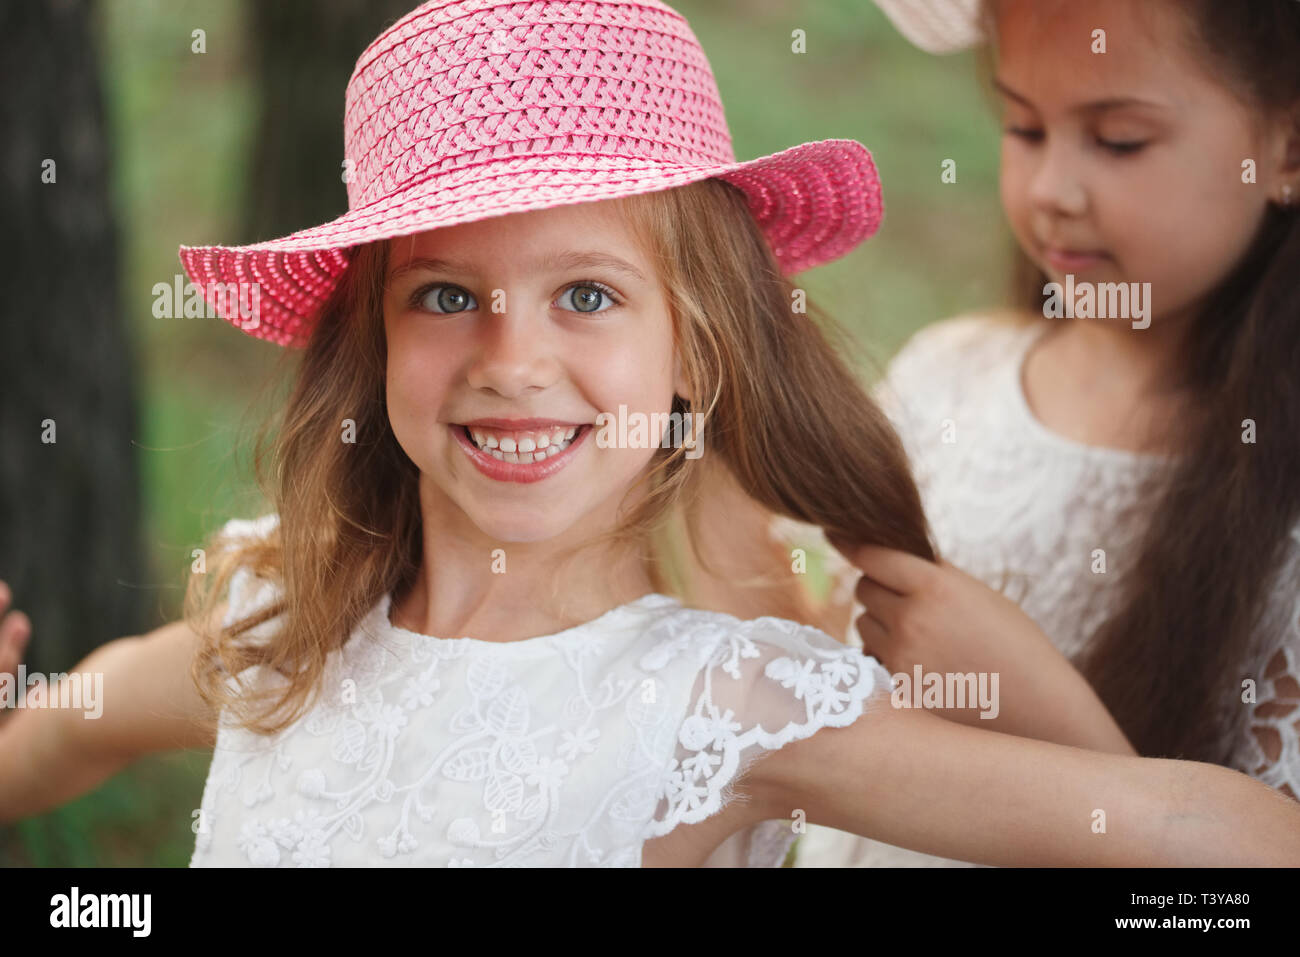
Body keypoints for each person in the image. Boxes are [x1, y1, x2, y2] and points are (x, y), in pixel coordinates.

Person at [3, 0, 1299, 867]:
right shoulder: (279, 619)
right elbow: (61, 731)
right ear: (374, 340)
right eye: (446, 295)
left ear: (696, 350)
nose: (514, 362)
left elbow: (1227, 833)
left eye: (588, 295)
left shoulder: (723, 703)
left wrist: (1042, 700)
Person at [795, 0, 1300, 867]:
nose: (1050, 191)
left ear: (1285, 147)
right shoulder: (948, 374)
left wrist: (1039, 710)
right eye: (1024, 128)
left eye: (1119, 142)